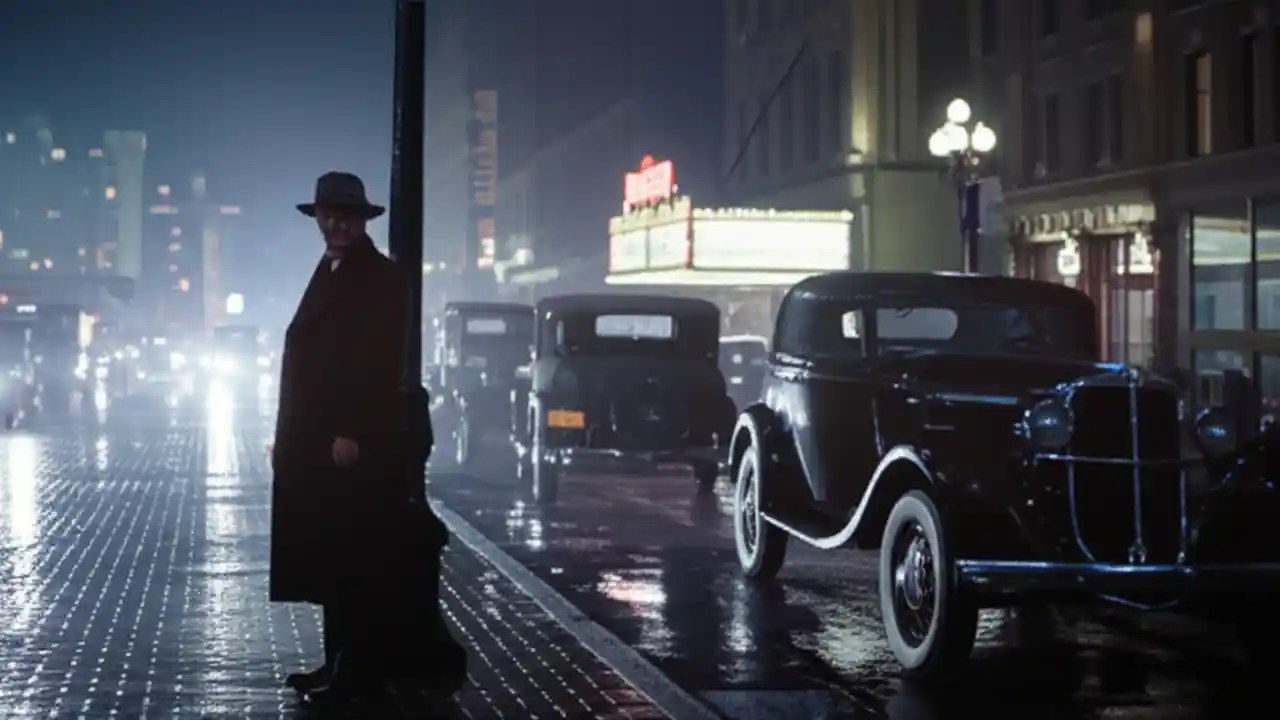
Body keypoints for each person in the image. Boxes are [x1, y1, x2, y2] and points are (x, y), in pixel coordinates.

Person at [270, 171, 417, 710]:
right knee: (333, 559)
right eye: (328, 215)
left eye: (346, 216)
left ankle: (357, 672)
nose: (336, 224)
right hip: (316, 439)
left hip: (347, 442)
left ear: (362, 220)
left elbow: (376, 362)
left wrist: (352, 429)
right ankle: (338, 663)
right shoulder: (333, 267)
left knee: (354, 561)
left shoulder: (379, 277)